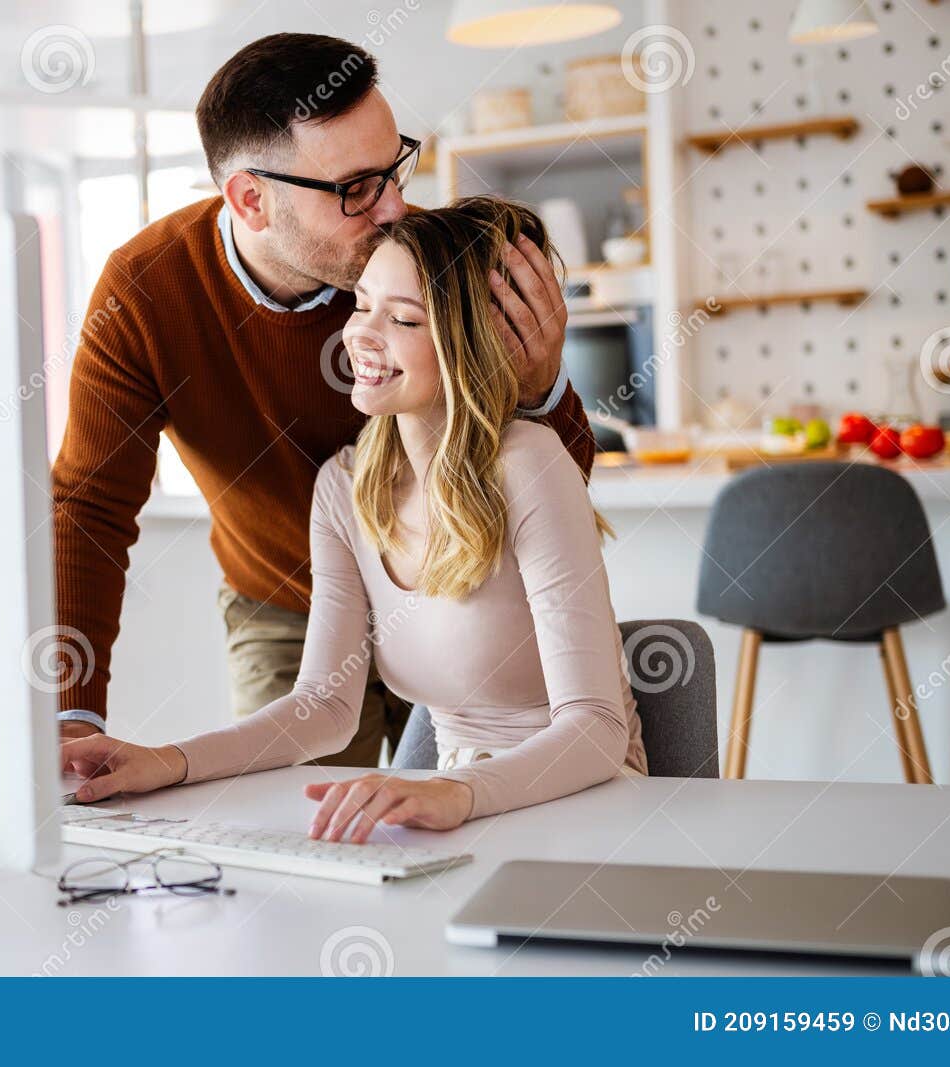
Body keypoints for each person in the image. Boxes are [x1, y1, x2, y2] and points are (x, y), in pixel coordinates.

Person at [52, 33, 594, 766]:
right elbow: (87, 506)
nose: (394, 205)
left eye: (393, 167)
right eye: (355, 187)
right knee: (304, 833)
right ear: (251, 199)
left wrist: (539, 388)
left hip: (450, 588)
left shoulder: (414, 266)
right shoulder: (146, 292)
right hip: (282, 602)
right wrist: (70, 717)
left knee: (457, 821)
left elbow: (553, 495)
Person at [61, 197, 647, 839]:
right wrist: (167, 763)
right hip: (463, 810)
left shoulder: (528, 465)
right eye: (362, 304)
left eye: (402, 318)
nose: (361, 335)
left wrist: (456, 792)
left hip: (585, 810)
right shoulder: (346, 486)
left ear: (468, 343)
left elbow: (595, 730)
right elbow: (323, 708)